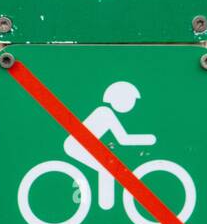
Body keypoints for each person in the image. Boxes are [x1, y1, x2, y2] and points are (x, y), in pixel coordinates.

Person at [63, 82, 155, 210]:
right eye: (129, 100)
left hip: (82, 145)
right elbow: (123, 139)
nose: (130, 103)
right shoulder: (105, 113)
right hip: (76, 147)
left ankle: (105, 205)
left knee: (108, 165)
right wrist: (149, 139)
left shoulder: (106, 112)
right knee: (107, 168)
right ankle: (105, 206)